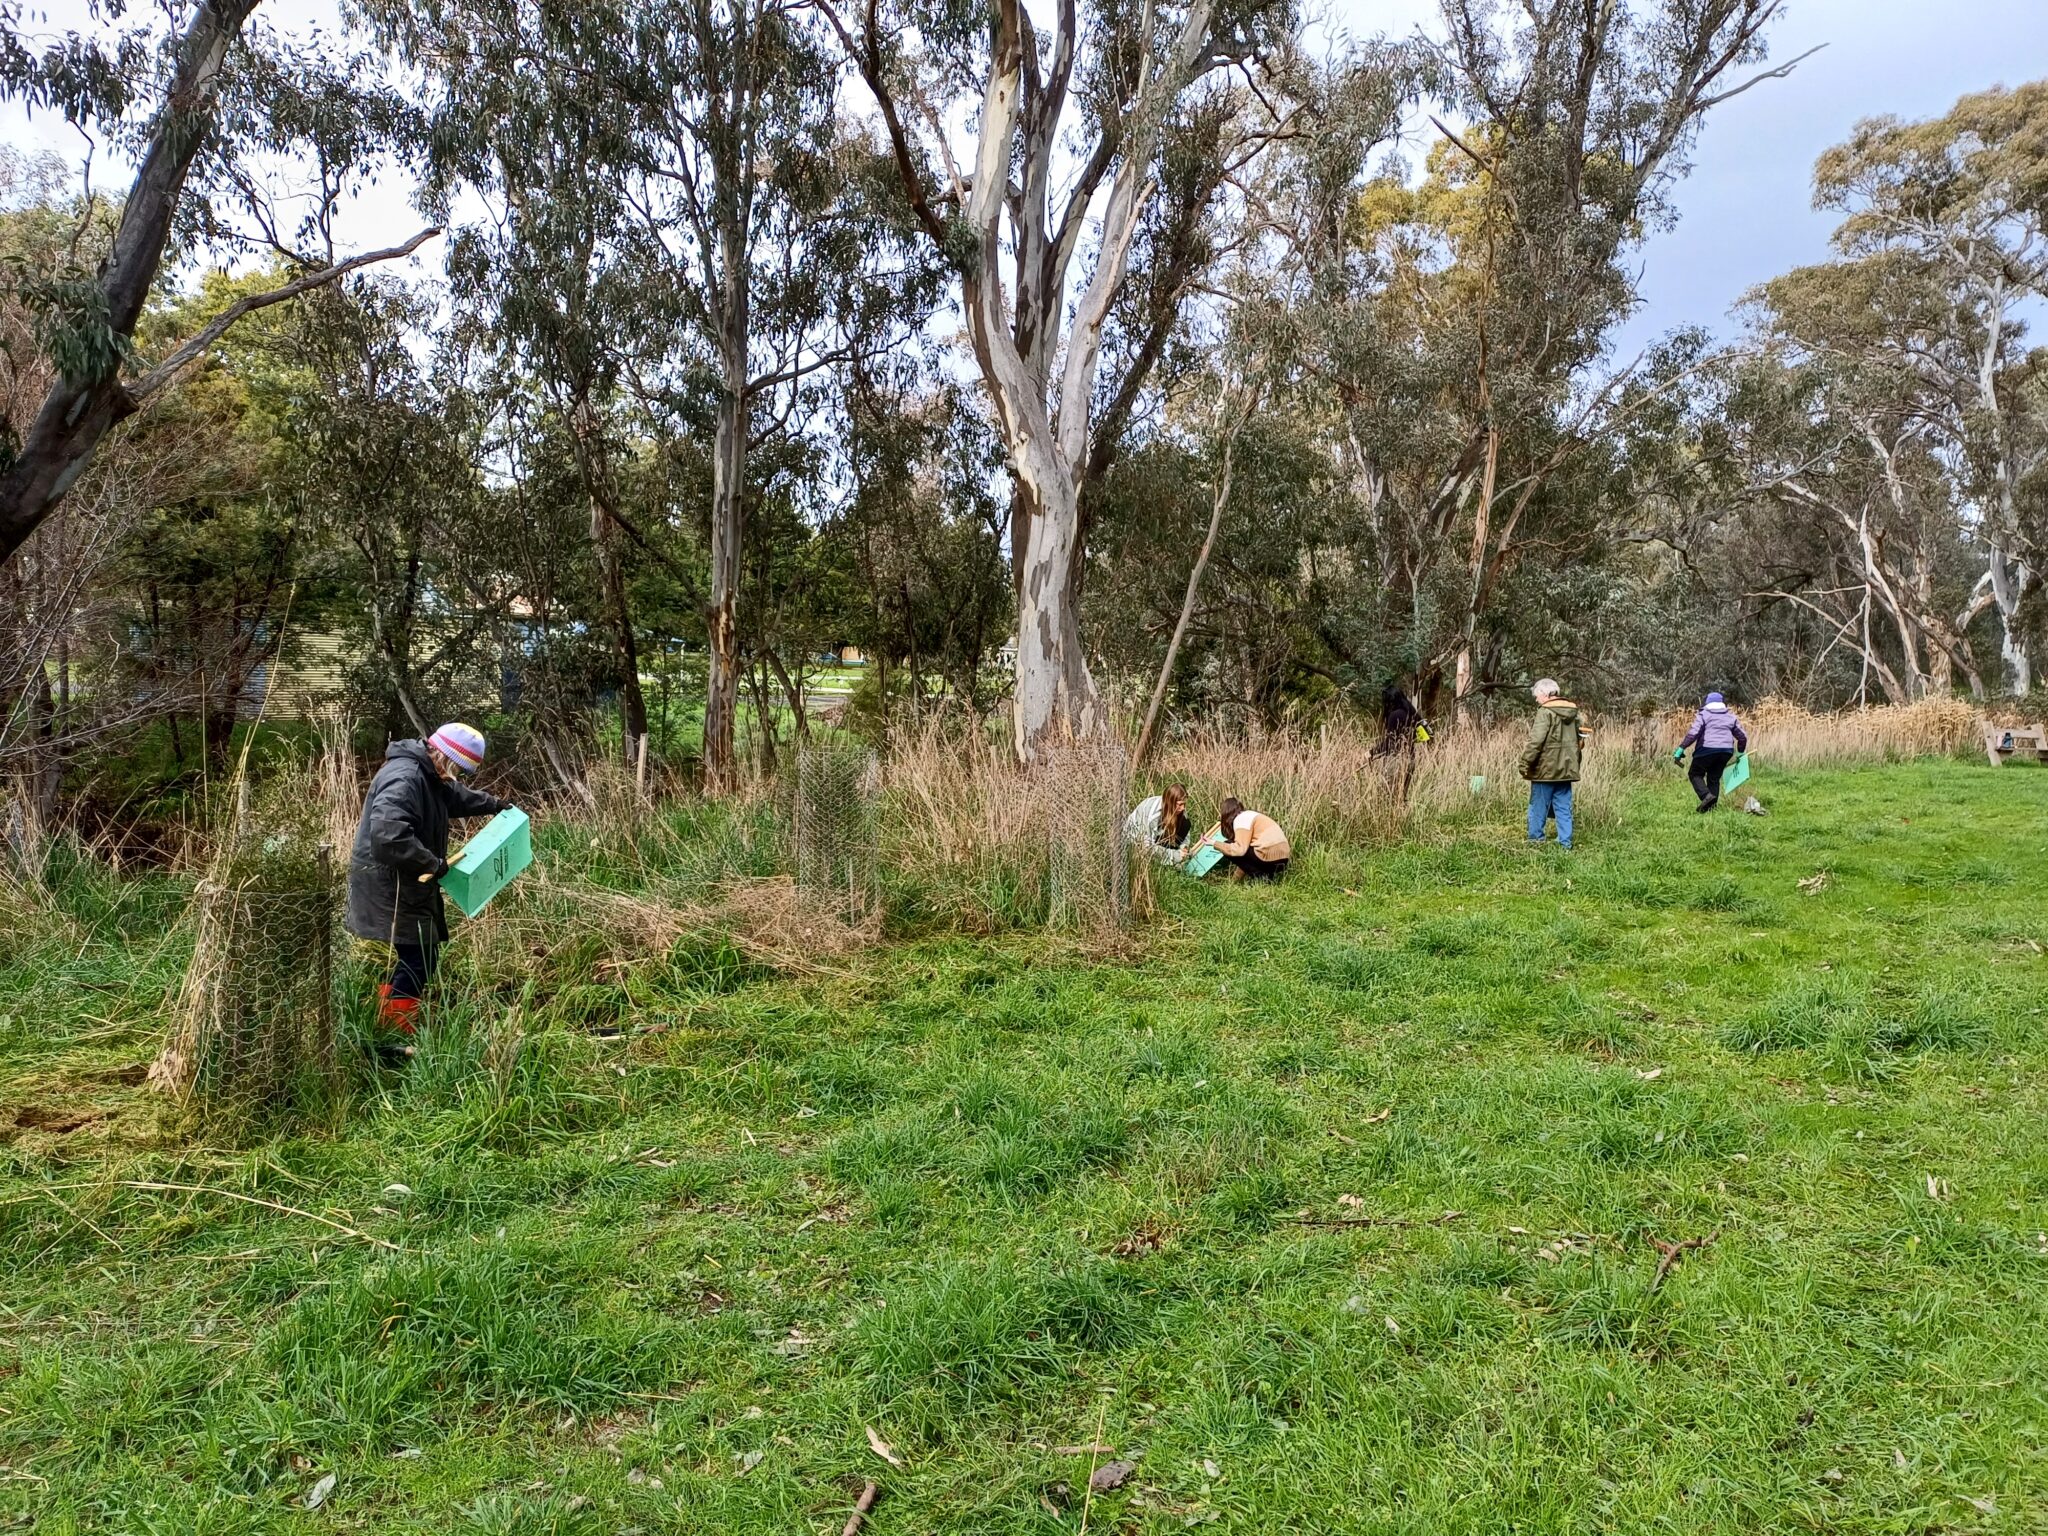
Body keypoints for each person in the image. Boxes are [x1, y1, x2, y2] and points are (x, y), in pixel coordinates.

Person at [345, 723, 514, 1055]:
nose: (456, 777)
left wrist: (495, 804)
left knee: (419, 954)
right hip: (390, 886)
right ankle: (394, 1032)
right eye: (457, 769)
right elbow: (388, 836)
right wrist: (432, 863)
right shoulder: (405, 778)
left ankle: (386, 1022)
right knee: (419, 956)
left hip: (404, 881)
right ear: (445, 757)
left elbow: (454, 797)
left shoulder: (426, 773)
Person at [1519, 678, 1587, 850]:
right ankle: (1565, 842)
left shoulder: (1545, 712)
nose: (1536, 699)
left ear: (1545, 694)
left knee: (1538, 807)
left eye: (1537, 695)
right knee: (1563, 806)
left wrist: (1525, 763)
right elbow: (1580, 740)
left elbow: (1536, 741)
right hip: (1567, 769)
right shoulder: (1574, 712)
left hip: (1545, 769)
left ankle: (1536, 841)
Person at [1675, 691, 1748, 812]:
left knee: (1695, 774)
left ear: (1707, 703)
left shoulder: (1704, 714)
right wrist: (1740, 753)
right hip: (1726, 751)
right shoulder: (1731, 717)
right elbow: (1742, 737)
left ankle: (1706, 796)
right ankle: (1711, 808)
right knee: (1714, 778)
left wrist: (1681, 747)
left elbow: (1694, 733)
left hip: (1706, 749)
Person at [1206, 797, 1291, 880]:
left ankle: (1262, 879)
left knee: (1227, 845)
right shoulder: (1250, 815)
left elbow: (1240, 851)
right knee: (1239, 850)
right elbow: (1246, 861)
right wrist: (1234, 881)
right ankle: (1267, 878)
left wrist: (1214, 843)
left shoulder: (1241, 819)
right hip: (1283, 860)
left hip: (1268, 857)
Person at [1122, 783, 1192, 864]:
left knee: (1186, 823)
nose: (1183, 808)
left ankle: (1174, 857)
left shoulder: (1179, 810)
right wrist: (1174, 855)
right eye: (1179, 805)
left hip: (1158, 835)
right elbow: (1147, 847)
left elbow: (1186, 834)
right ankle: (1170, 859)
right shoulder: (1153, 816)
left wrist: (1184, 847)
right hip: (1136, 841)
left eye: (1184, 804)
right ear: (1170, 803)